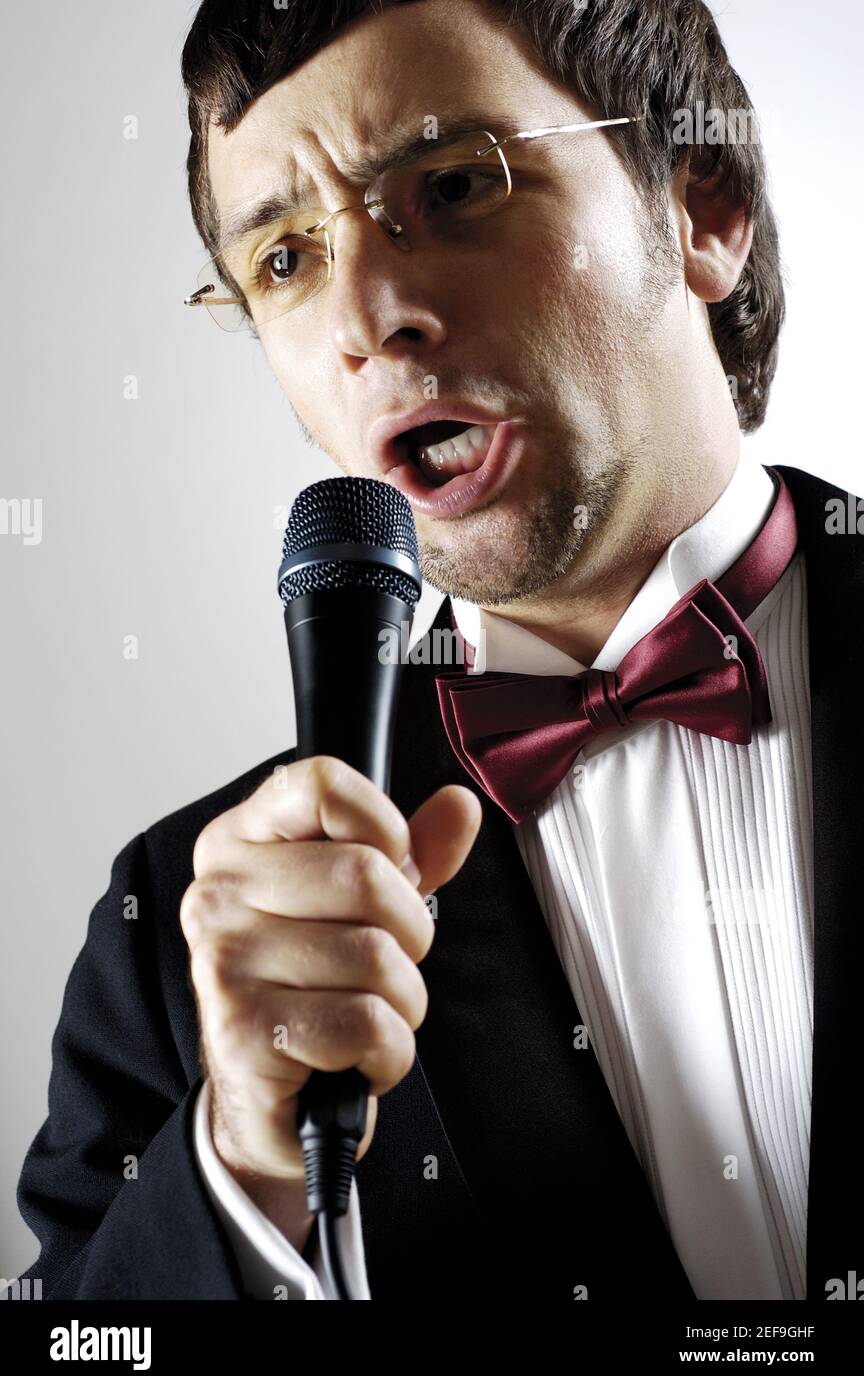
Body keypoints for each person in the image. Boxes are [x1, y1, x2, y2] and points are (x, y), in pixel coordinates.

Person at [10, 0, 862, 1302]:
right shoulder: (178, 938)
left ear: (704, 208)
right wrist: (245, 1174)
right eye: (286, 260)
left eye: (455, 183)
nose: (369, 313)